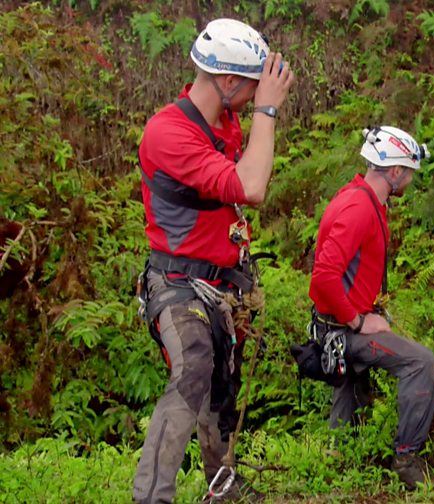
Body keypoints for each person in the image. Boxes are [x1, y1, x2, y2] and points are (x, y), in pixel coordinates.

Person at [133, 18, 294, 503]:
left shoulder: (222, 122)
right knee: (193, 369)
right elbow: (252, 186)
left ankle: (220, 481)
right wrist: (267, 109)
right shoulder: (169, 134)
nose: (254, 96)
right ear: (227, 82)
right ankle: (151, 495)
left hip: (220, 280)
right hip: (177, 280)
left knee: (221, 381)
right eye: (249, 86)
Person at [307, 126, 434, 490]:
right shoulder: (359, 208)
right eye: (408, 173)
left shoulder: (363, 199)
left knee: (351, 395)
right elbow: (323, 277)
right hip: (342, 329)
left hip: (339, 324)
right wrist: (358, 320)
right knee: (421, 361)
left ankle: (338, 464)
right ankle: (408, 458)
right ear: (395, 172)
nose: (409, 180)